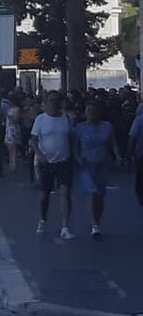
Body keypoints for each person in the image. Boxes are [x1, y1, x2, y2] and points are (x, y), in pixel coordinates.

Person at [31, 92, 75, 239]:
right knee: (44, 194)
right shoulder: (40, 119)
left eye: (57, 100)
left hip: (64, 161)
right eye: (51, 100)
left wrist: (74, 155)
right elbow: (33, 140)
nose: (54, 103)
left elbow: (72, 139)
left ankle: (65, 226)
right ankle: (42, 219)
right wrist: (39, 154)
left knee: (65, 192)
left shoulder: (67, 119)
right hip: (46, 162)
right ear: (46, 102)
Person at [73, 100, 119, 237]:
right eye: (89, 110)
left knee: (100, 195)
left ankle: (98, 220)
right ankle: (94, 225)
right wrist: (78, 158)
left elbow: (113, 144)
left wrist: (117, 156)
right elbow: (75, 147)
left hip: (103, 163)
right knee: (92, 193)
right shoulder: (80, 128)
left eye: (94, 110)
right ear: (85, 113)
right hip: (87, 164)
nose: (92, 113)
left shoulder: (107, 126)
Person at [126, 103, 143, 208]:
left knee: (140, 187)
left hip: (141, 156)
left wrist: (128, 156)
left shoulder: (139, 121)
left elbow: (132, 139)